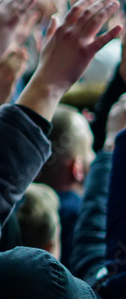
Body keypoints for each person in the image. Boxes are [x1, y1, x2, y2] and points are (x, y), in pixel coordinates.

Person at [38, 104, 96, 265]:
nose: (94, 156)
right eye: (90, 148)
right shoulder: (83, 216)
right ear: (77, 169)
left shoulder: (19, 207)